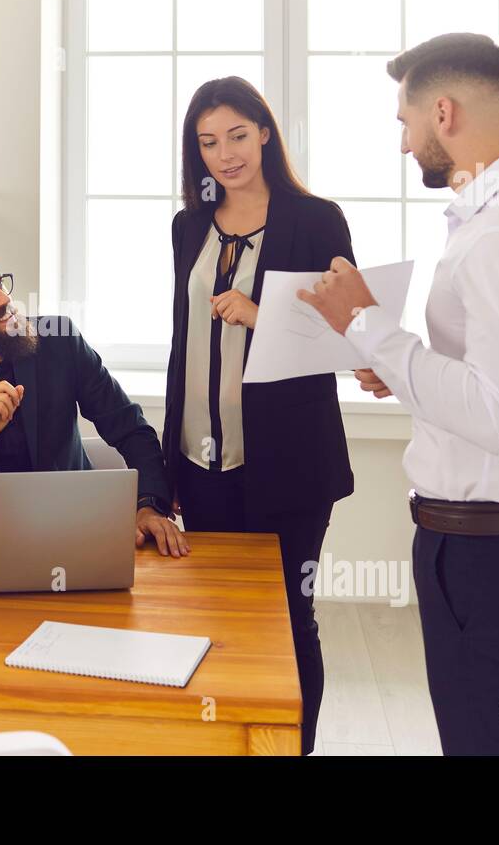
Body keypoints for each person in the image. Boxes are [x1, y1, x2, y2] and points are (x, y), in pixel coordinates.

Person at [297, 33, 499, 755]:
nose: (404, 144)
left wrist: (363, 323)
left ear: (444, 112)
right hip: (481, 540)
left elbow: (497, 414)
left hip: (492, 550)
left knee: (493, 747)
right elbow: (482, 383)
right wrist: (394, 365)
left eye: (406, 122)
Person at [163, 76, 356, 755]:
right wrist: (168, 463)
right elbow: (183, 342)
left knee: (287, 616)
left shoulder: (316, 219)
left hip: (290, 461)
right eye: (208, 142)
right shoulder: (189, 225)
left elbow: (352, 333)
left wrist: (259, 314)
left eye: (238, 136)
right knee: (215, 615)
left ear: (266, 133)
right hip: (200, 457)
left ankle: (291, 749)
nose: (225, 154)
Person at [0, 245, 188, 557]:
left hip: (74, 532)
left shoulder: (59, 341)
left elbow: (130, 428)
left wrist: (148, 504)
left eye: (0, 284)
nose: (5, 299)